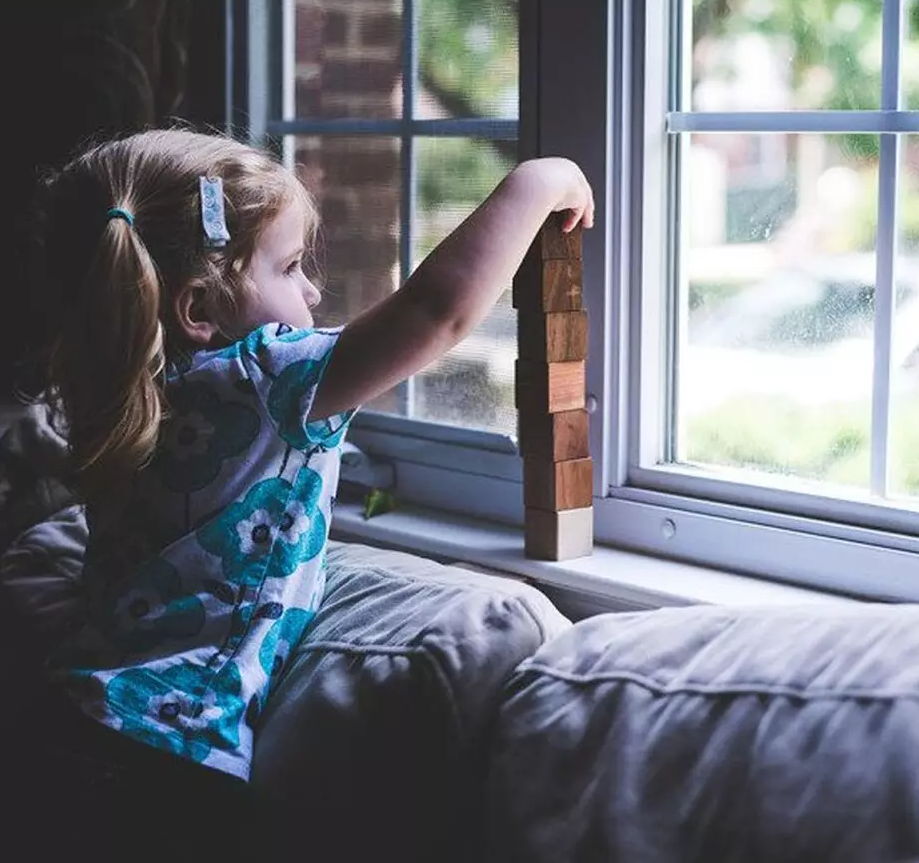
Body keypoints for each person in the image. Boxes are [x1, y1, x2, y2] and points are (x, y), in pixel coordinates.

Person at [30, 129, 595, 781]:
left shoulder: (115, 384)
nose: (314, 295)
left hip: (68, 708)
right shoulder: (263, 380)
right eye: (292, 267)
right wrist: (539, 181)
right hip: (170, 739)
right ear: (198, 309)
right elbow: (436, 312)